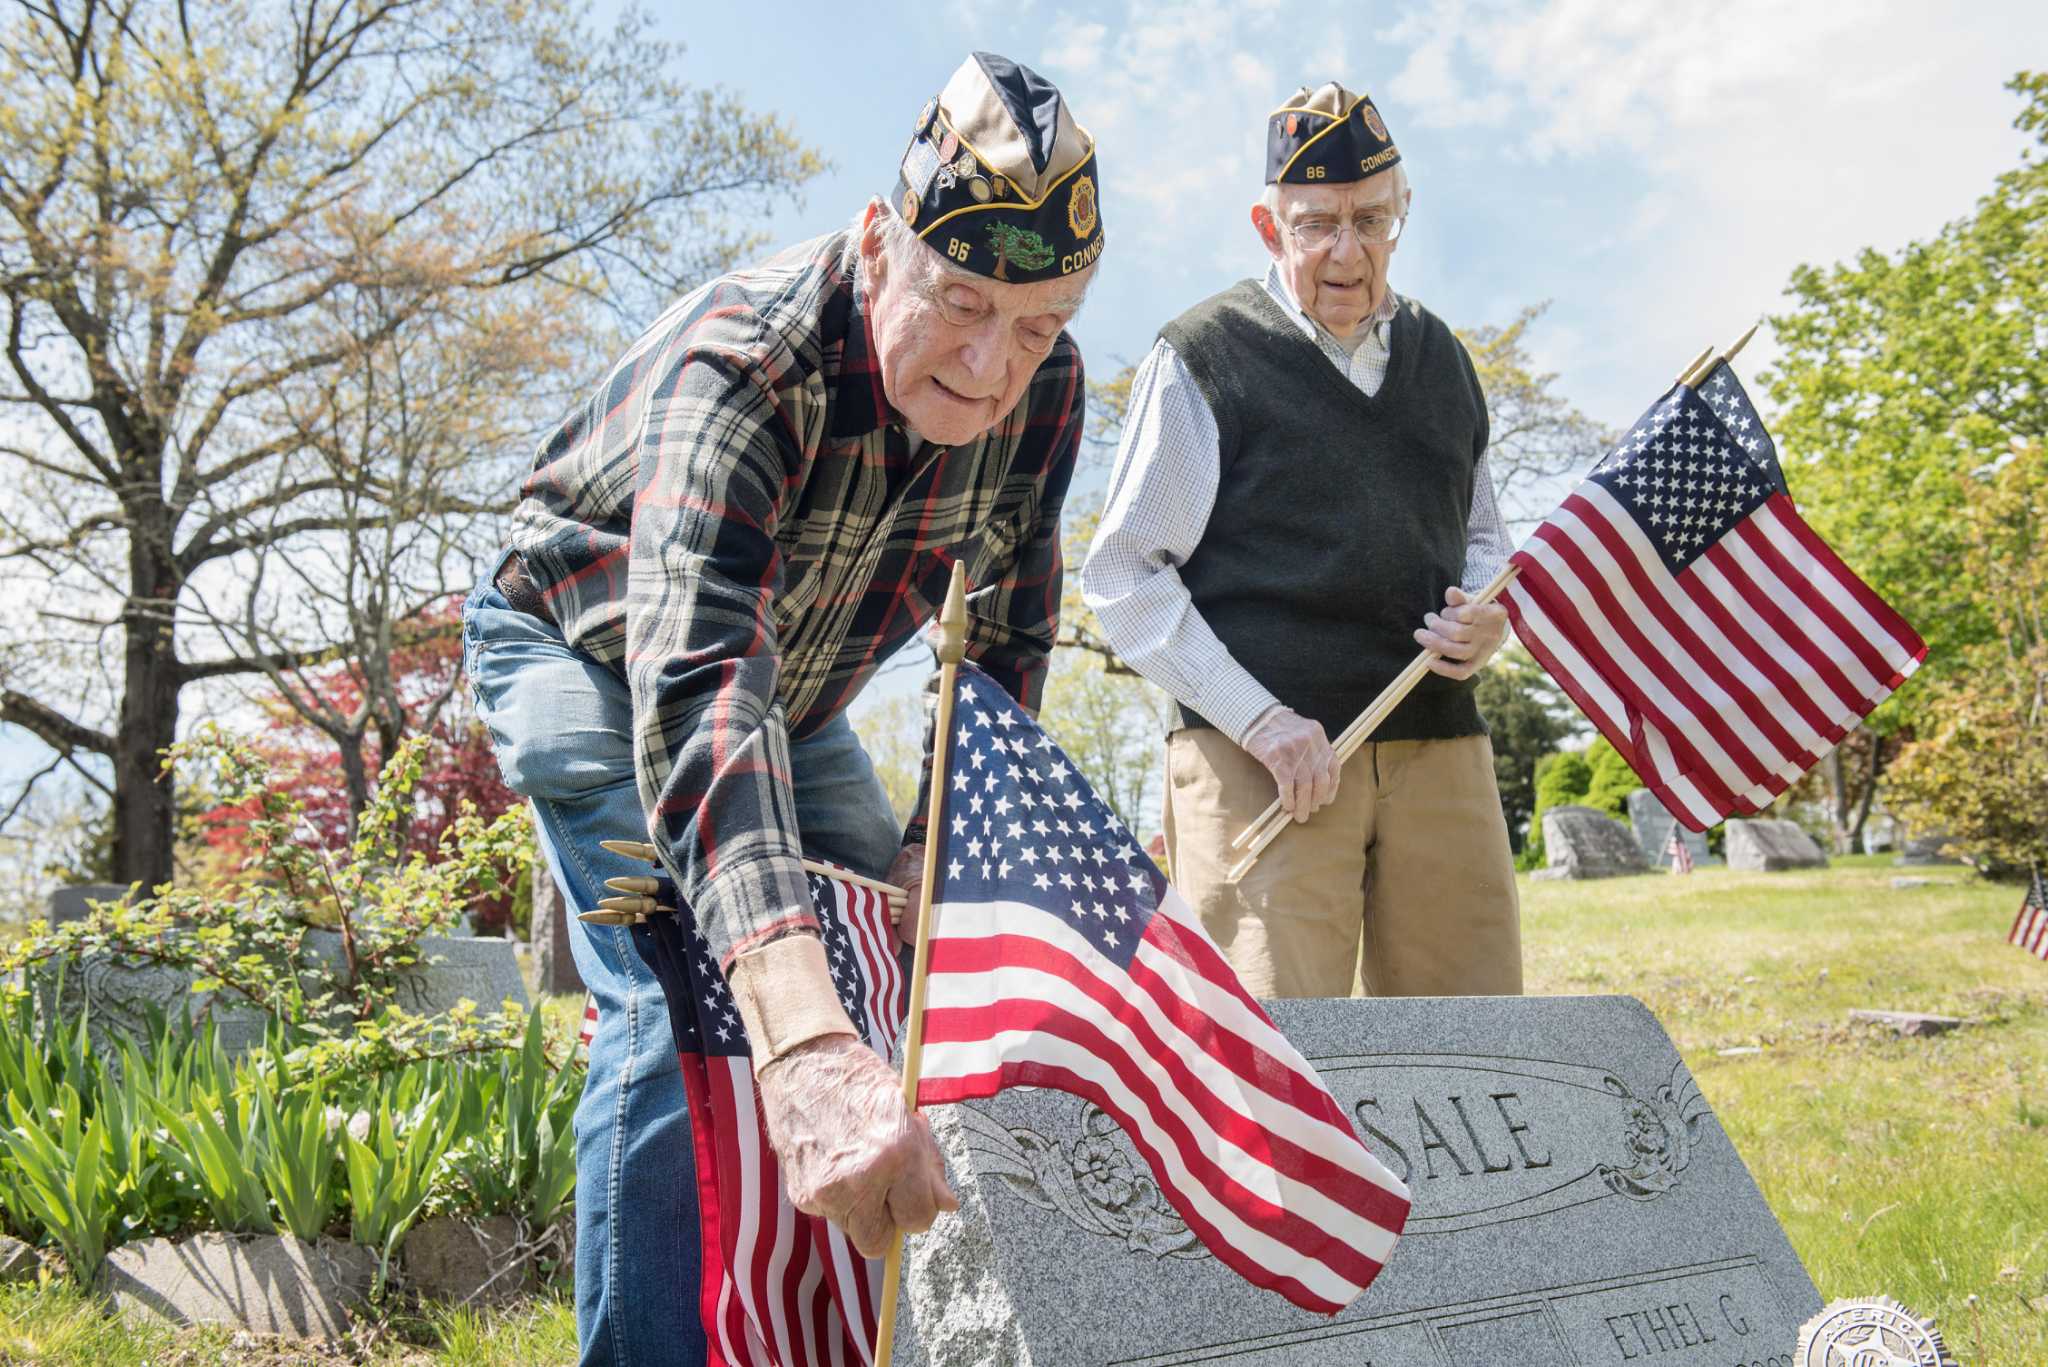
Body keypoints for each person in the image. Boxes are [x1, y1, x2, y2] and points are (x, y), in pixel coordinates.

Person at [462, 52, 1105, 1363]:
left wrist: (942, 844)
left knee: (889, 968)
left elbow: (1011, 634)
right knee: (689, 989)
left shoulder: (1045, 391)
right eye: (962, 301)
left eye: (1035, 323)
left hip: (796, 701)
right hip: (591, 652)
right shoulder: (745, 360)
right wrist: (799, 1033)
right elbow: (699, 694)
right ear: (882, 245)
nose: (992, 369)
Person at [1081, 81, 1519, 1001]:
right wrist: (1260, 721)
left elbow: (1483, 539)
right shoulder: (1205, 354)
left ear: (1403, 213)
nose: (1348, 251)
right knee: (1277, 1066)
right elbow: (1124, 577)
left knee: (1476, 1043)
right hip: (1260, 764)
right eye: (1317, 223)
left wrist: (1490, 617)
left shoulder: (1445, 359)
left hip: (1439, 746)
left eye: (1372, 219)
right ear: (1267, 225)